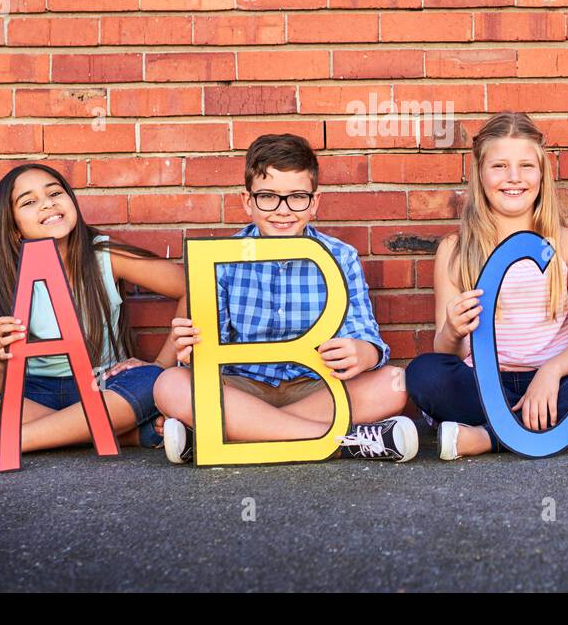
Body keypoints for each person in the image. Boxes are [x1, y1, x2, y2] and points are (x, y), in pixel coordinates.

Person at [154, 133, 418, 463]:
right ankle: (341, 442)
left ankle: (234, 433)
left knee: (395, 383)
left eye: (297, 197)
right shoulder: (222, 259)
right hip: (242, 386)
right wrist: (191, 351)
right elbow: (205, 354)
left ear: (315, 202)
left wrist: (362, 353)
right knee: (169, 385)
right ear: (247, 200)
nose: (283, 210)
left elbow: (366, 336)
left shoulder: (341, 256)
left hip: (317, 386)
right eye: (267, 196)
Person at [406, 112, 568, 459]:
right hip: (486, 386)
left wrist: (551, 372)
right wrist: (453, 331)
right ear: (479, 173)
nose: (514, 178)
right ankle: (562, 429)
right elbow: (447, 352)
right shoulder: (455, 250)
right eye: (500, 166)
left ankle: (488, 438)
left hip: (559, 380)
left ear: (542, 174)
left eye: (526, 166)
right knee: (423, 374)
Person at [0, 162, 184, 460]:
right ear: (14, 228)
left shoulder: (103, 254)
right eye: (29, 201)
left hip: (105, 385)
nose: (47, 203)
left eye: (55, 193)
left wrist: (162, 362)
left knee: (154, 381)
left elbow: (190, 287)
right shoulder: (8, 277)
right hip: (33, 392)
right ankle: (120, 433)